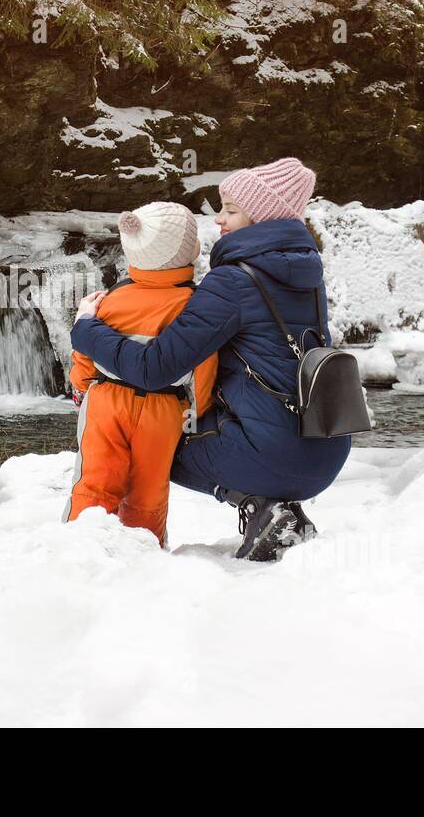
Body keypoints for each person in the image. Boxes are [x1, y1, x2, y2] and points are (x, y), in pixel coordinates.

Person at [71, 158, 351, 561]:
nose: (218, 220)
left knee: (150, 426)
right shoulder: (305, 272)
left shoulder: (233, 280)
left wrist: (86, 330)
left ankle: (262, 507)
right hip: (324, 448)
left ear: (261, 217)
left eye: (231, 210)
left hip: (272, 454)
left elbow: (153, 370)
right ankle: (275, 508)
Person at [64, 201, 218, 547]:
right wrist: (199, 410)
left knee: (94, 479)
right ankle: (144, 554)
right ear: (189, 252)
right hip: (163, 408)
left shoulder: (110, 298)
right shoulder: (193, 306)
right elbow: (204, 367)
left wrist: (81, 387)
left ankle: (78, 548)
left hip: (105, 400)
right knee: (149, 490)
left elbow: (86, 349)